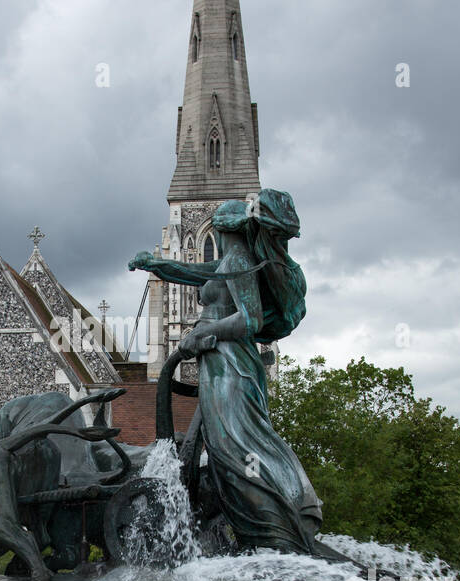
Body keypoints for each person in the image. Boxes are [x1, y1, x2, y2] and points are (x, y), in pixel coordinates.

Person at [129, 190, 323, 556]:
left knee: (237, 445)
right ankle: (263, 527)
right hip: (220, 363)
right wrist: (154, 264)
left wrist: (204, 332)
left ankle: (278, 525)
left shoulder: (237, 258)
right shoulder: (231, 261)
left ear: (220, 231)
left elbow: (249, 320)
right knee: (228, 446)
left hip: (232, 365)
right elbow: (193, 271)